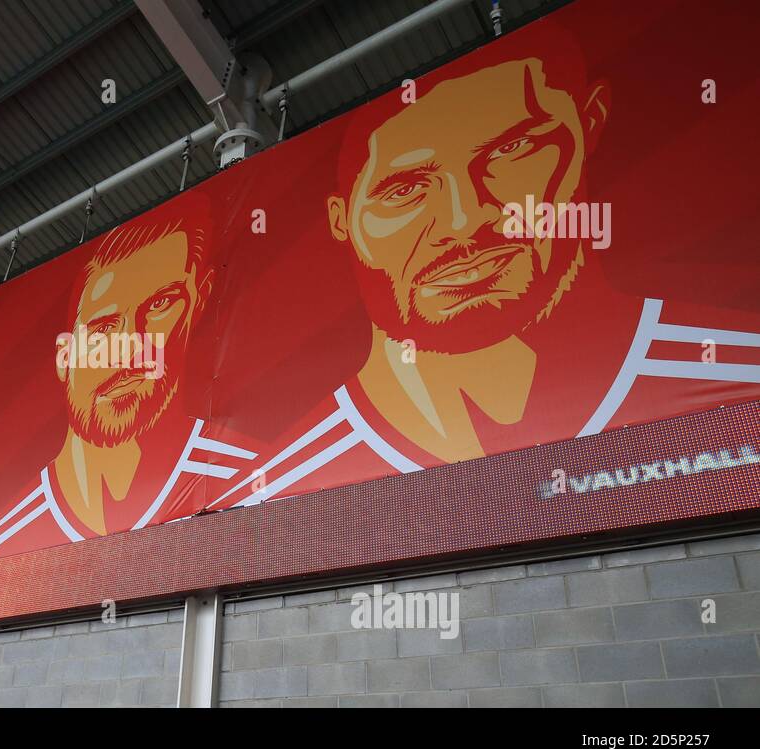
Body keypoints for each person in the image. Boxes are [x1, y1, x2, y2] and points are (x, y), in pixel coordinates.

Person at [211, 20, 760, 510]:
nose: (462, 220)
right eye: (405, 189)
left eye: (514, 150)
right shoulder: (273, 478)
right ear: (343, 221)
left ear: (590, 126)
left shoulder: (731, 365)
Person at [0, 193, 256, 566]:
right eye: (103, 328)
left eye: (160, 305)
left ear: (200, 302)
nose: (130, 348)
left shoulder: (255, 481)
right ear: (64, 358)